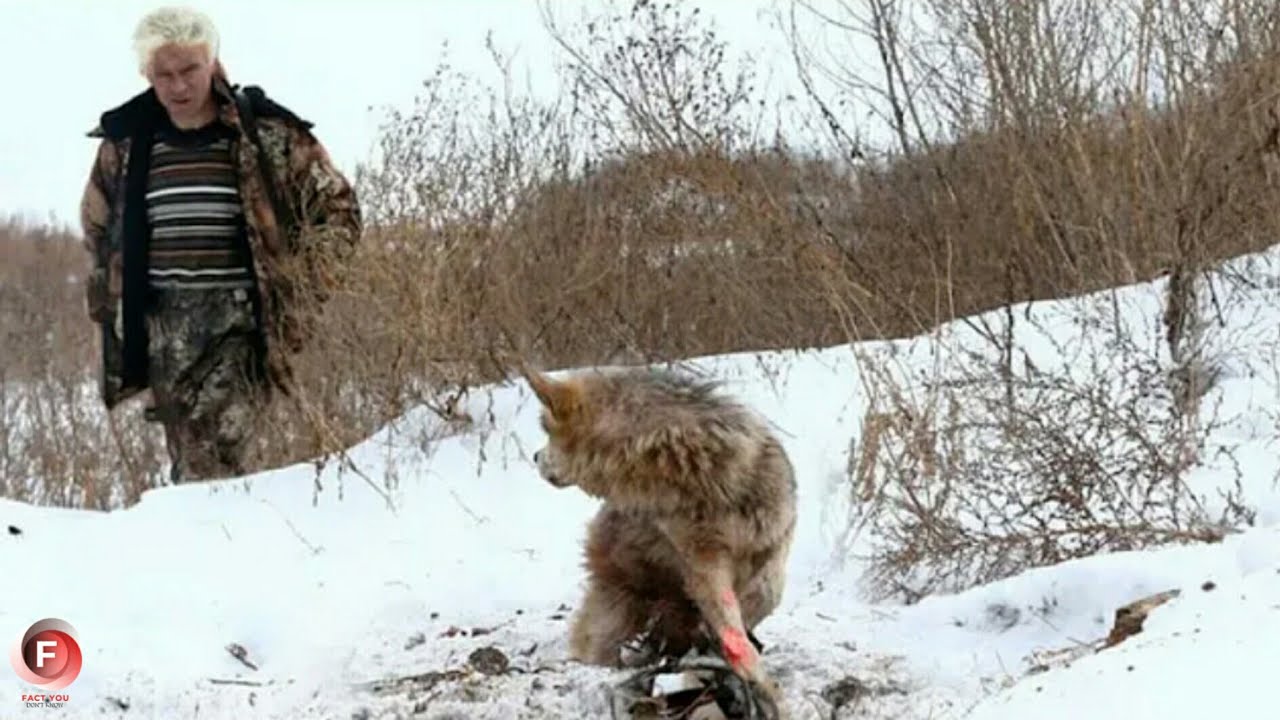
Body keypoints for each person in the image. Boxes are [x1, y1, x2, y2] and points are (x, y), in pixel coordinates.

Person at [79, 6, 362, 483]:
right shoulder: (125, 144)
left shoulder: (267, 134)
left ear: (213, 61)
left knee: (215, 462)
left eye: (189, 69)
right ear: (146, 74)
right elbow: (97, 225)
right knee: (196, 462)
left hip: (242, 325)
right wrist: (118, 300)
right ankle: (216, 544)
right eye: (163, 74)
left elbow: (339, 212)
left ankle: (218, 542)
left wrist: (306, 286)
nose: (178, 86)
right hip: (163, 329)